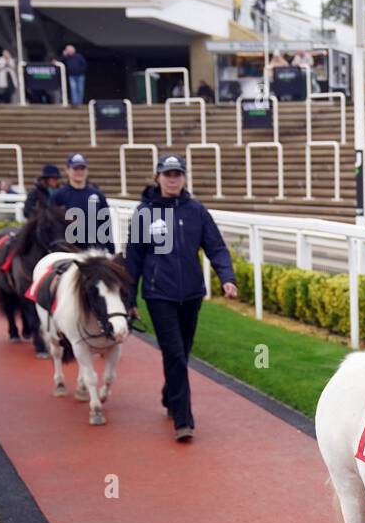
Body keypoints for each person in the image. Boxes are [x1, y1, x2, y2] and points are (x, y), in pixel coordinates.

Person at [125, 153, 238, 442]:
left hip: (191, 295)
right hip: (158, 294)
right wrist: (129, 298)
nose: (172, 179)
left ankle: (170, 394)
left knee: (182, 352)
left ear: (184, 178)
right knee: (174, 353)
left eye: (177, 174)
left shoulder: (196, 211)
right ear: (157, 178)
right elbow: (133, 258)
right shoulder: (144, 213)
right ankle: (183, 420)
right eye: (167, 174)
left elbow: (217, 247)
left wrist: (227, 278)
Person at [50, 154, 113, 251]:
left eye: (82, 168)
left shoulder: (97, 195)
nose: (79, 172)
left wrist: (111, 249)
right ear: (67, 170)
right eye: (75, 169)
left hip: (95, 251)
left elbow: (105, 225)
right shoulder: (58, 196)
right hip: (68, 251)